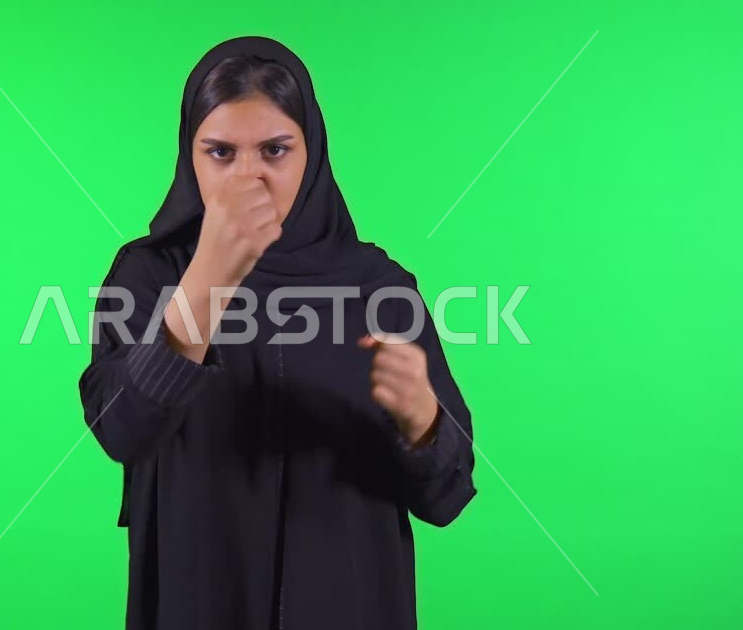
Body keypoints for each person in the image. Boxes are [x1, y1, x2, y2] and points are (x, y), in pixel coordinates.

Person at [78, 35, 476, 630]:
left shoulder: (379, 285)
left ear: (310, 154)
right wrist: (208, 278)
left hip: (352, 601)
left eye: (274, 150)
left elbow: (447, 499)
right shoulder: (149, 273)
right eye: (220, 152)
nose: (249, 178)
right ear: (190, 156)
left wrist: (423, 420)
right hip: (200, 597)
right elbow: (121, 430)